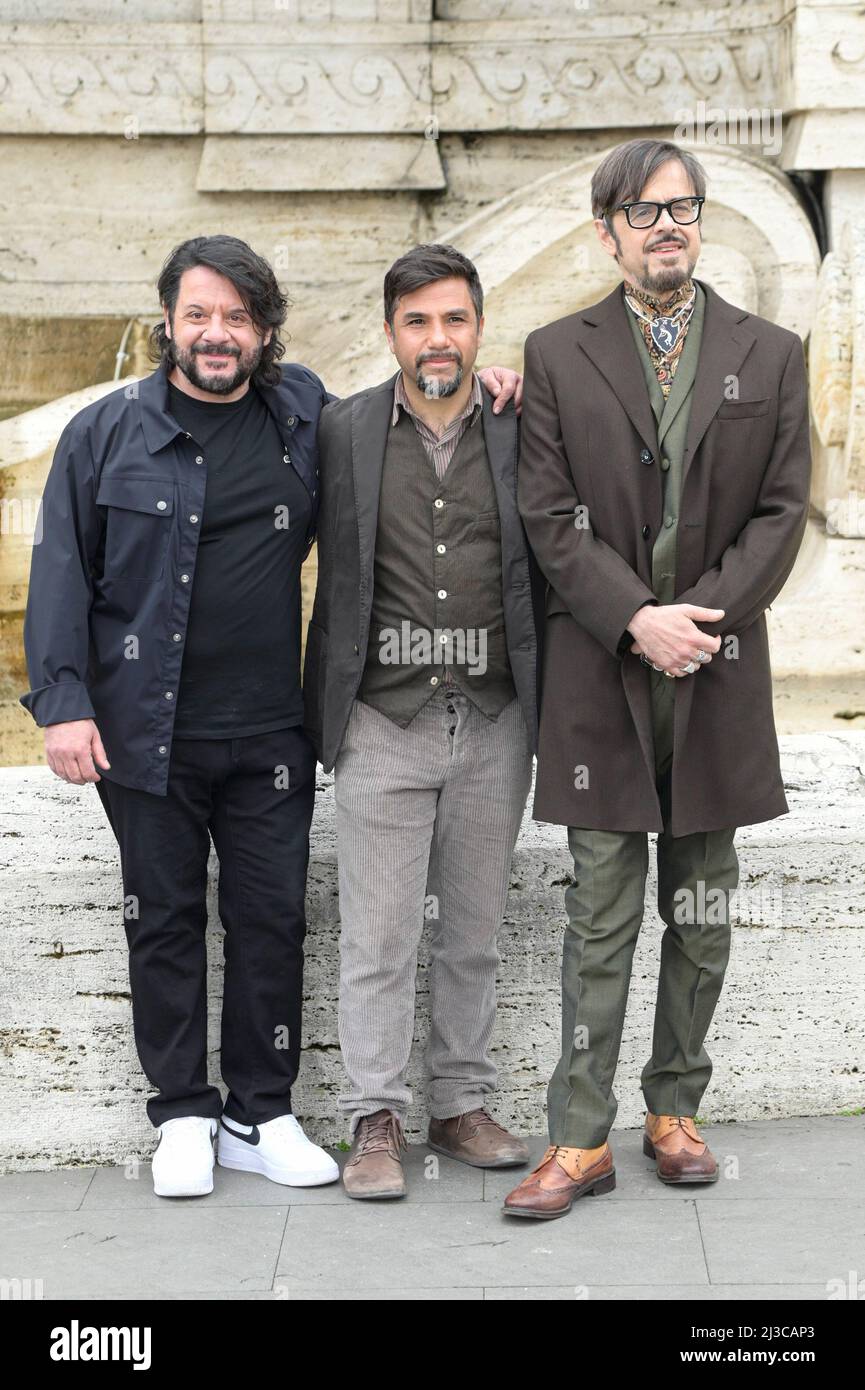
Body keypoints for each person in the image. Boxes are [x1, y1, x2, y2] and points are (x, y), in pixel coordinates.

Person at [20, 234, 520, 1198]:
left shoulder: (307, 415)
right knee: (162, 921)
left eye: (238, 317)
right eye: (198, 314)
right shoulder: (106, 431)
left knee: (271, 921)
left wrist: (488, 384)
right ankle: (180, 1114)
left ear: (264, 330)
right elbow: (59, 574)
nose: (217, 333)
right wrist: (64, 704)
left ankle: (261, 1110)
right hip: (142, 732)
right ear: (166, 320)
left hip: (271, 733)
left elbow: (414, 423)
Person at [503, 139, 811, 1219]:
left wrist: (700, 623)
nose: (666, 225)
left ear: (700, 222)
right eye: (643, 211)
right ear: (607, 232)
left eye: (682, 208)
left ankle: (673, 1108)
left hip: (716, 677)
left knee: (703, 906)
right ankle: (578, 1136)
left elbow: (782, 510)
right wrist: (635, 617)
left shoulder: (768, 353)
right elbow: (545, 516)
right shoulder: (553, 352)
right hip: (600, 677)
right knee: (597, 913)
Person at [304, 243, 543, 1199]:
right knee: (378, 934)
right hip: (381, 722)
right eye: (417, 320)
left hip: (495, 719)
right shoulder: (341, 430)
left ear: (479, 326)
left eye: (453, 319)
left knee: (475, 931)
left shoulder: (528, 425)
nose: (436, 338)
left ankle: (459, 1103)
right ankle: (373, 1117)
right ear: (390, 330)